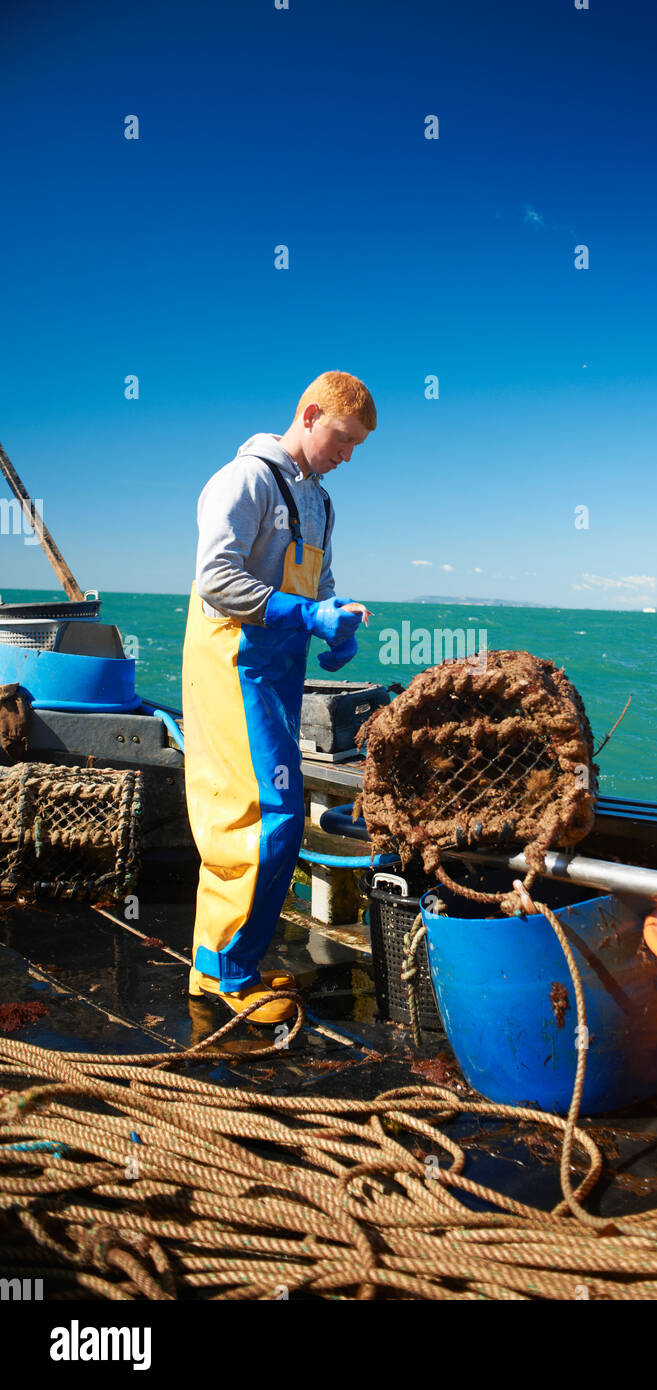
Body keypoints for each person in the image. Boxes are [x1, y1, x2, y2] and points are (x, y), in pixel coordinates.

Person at [181, 370, 376, 1023]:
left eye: (355, 449)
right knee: (263, 816)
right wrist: (303, 614)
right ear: (312, 413)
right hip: (233, 661)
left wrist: (334, 618)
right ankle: (222, 976)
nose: (346, 456)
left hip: (279, 670)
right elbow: (215, 579)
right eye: (342, 440)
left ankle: (239, 960)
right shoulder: (243, 481)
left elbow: (317, 580)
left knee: (276, 814)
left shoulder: (319, 501)